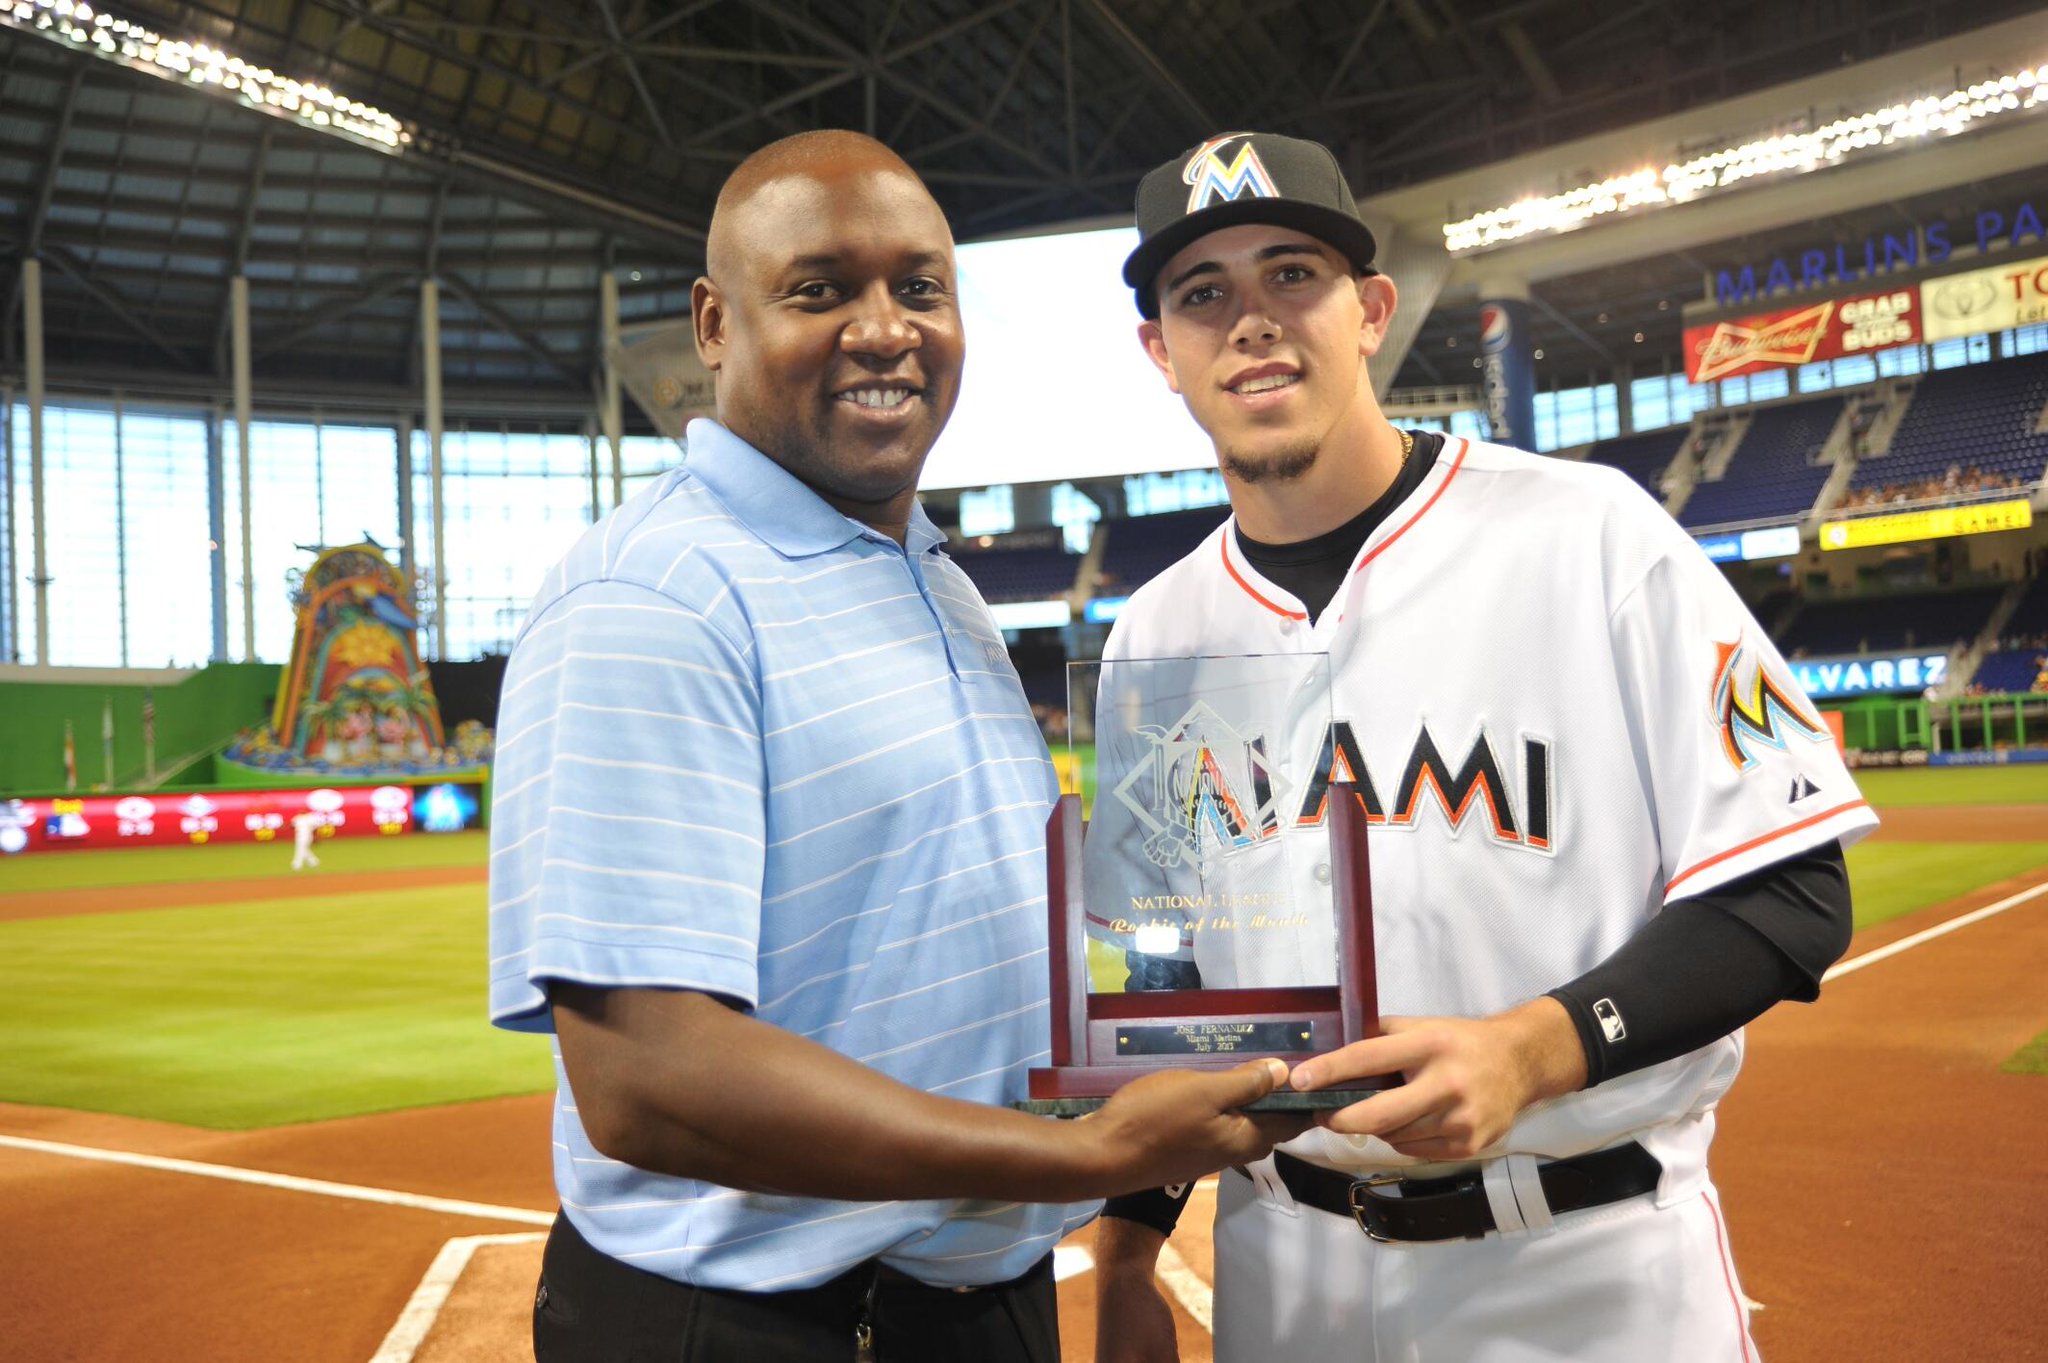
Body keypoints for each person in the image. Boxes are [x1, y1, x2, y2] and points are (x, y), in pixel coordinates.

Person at [486, 130, 1302, 1363]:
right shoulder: (649, 596)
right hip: (762, 1324)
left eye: (919, 287)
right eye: (818, 289)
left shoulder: (928, 576)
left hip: (971, 1293)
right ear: (713, 325)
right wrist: (1083, 1154)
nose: (884, 329)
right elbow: (648, 1079)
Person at [1088, 131, 1878, 1362]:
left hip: (1583, 1267)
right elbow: (1166, 974)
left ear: (1370, 312)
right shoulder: (1154, 633)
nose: (1250, 321)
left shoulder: (1590, 535)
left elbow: (1791, 891)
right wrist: (1130, 1250)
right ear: (1161, 352)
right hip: (1280, 1272)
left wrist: (1534, 1048)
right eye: (1202, 294)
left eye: (1291, 274)